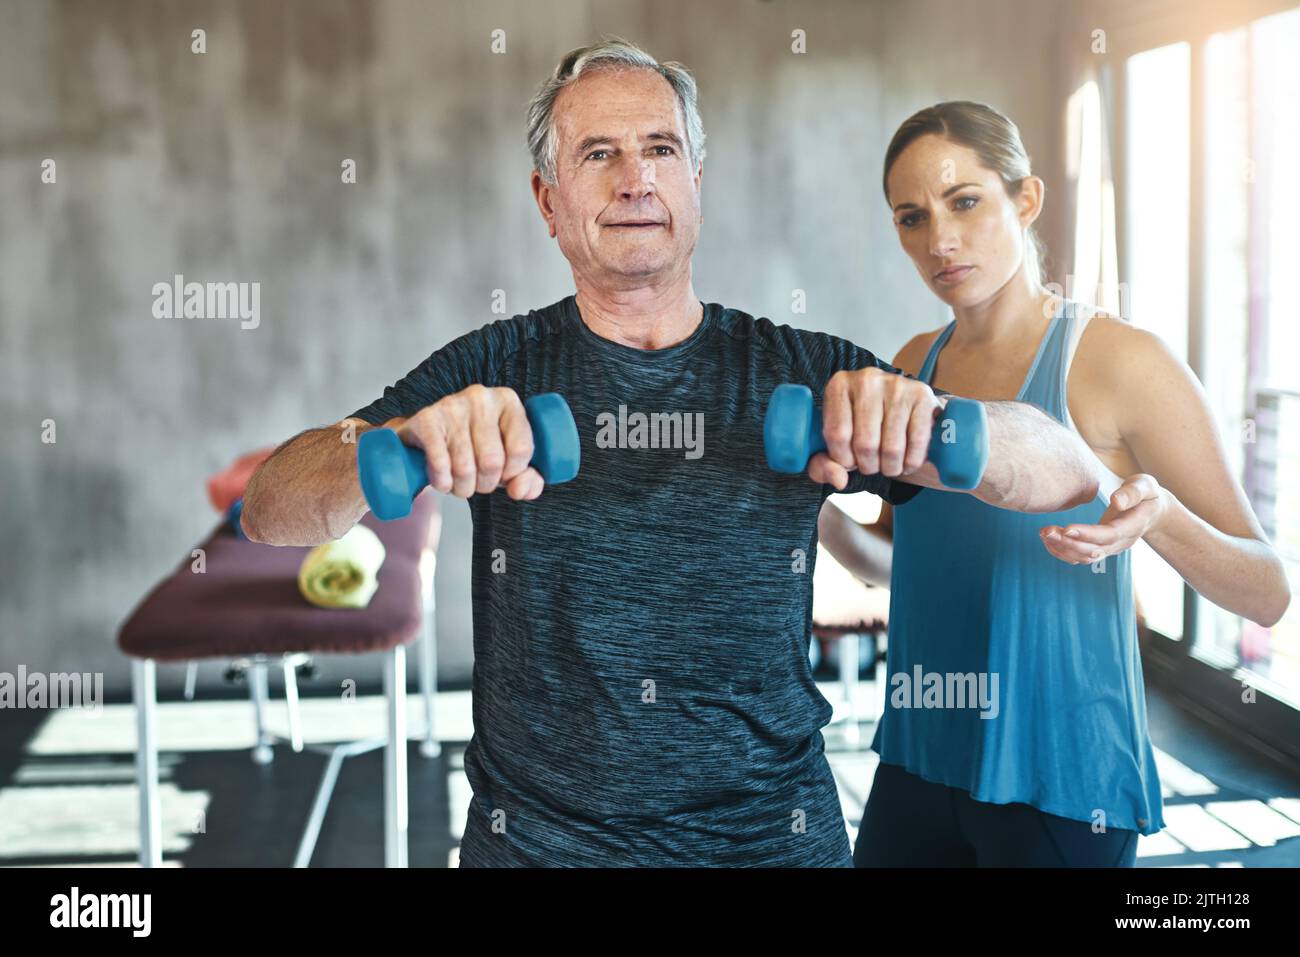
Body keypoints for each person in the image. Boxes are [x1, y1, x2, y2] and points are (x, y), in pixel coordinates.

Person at [241, 44, 1103, 867]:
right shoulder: (489, 370)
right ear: (548, 202)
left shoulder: (798, 370)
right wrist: (398, 444)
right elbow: (272, 508)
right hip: (539, 845)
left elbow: (1064, 470)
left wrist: (937, 420)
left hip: (772, 838)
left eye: (660, 148)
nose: (635, 177)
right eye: (598, 154)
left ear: (696, 184)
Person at [818, 100, 1291, 867]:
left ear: (1025, 198)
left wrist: (1152, 512)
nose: (939, 239)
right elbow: (892, 561)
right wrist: (813, 512)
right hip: (921, 754)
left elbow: (1266, 591)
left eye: (965, 201)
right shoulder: (913, 363)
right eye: (911, 217)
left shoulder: (1122, 362)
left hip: (1061, 778)